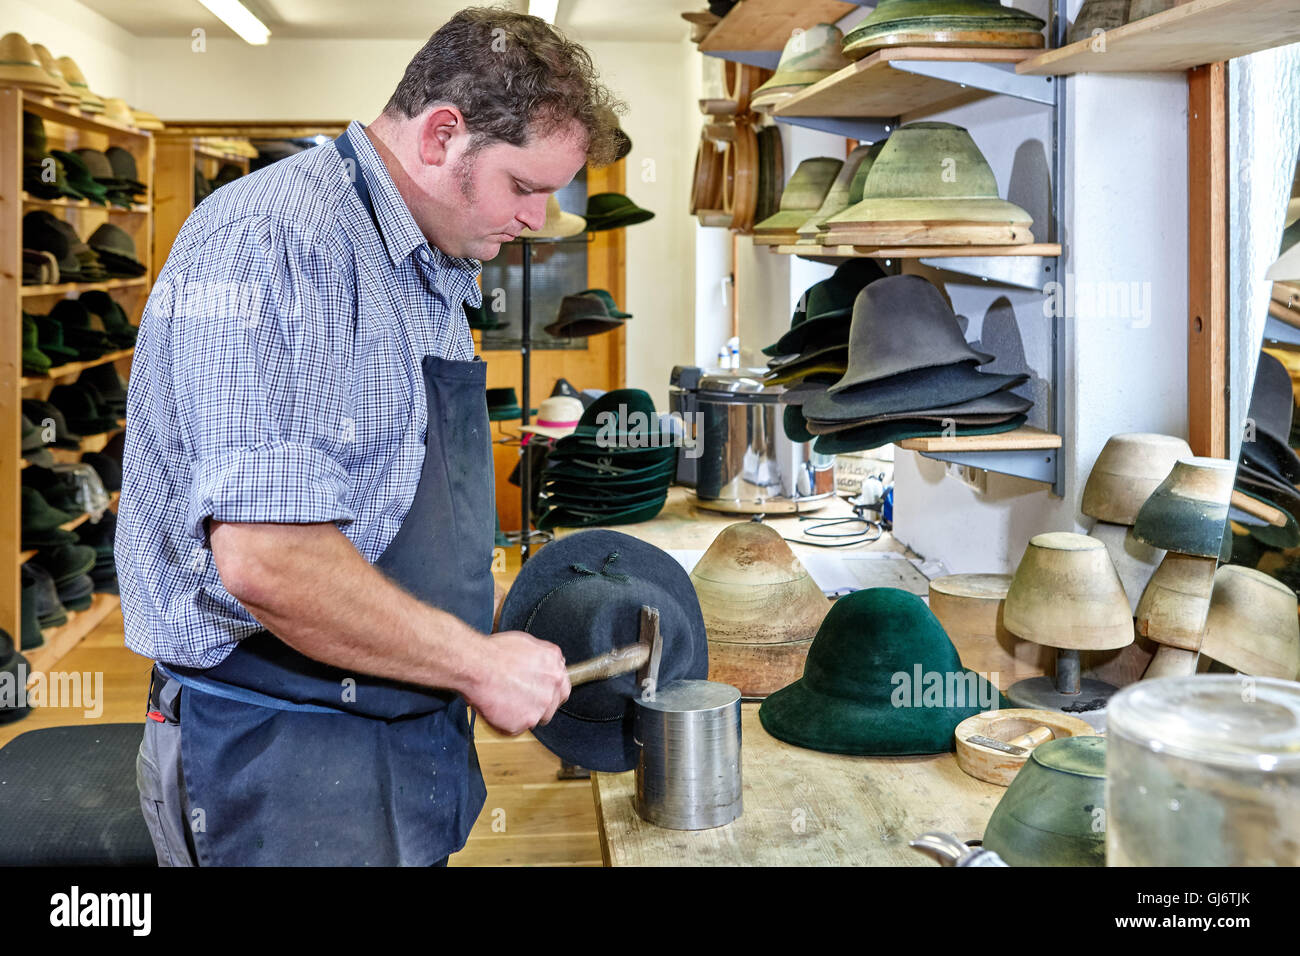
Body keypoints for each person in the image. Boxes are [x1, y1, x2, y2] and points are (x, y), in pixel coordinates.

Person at [118, 7, 623, 866]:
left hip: (401, 726)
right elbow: (268, 560)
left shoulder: (427, 261)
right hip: (283, 752)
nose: (539, 220)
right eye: (525, 187)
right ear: (440, 137)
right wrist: (475, 664)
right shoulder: (278, 244)